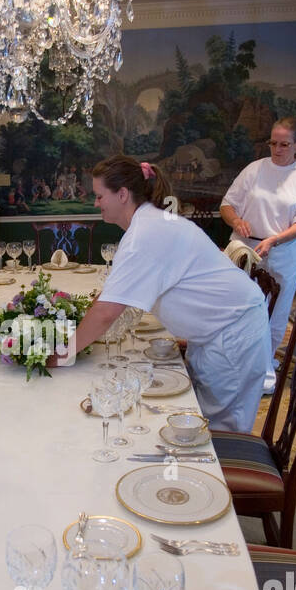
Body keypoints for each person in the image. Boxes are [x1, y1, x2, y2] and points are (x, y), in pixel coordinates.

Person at [56, 155, 270, 431]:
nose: (95, 203)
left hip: (233, 335)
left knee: (220, 432)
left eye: (99, 196)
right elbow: (110, 296)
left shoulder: (145, 233)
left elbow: (107, 312)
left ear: (122, 194)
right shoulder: (148, 225)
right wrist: (75, 337)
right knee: (201, 423)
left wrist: (63, 354)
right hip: (218, 331)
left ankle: (230, 472)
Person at [220, 117, 296, 392]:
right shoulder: (254, 170)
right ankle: (237, 364)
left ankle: (263, 370)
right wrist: (235, 222)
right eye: (273, 143)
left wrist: (275, 239)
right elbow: (227, 205)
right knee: (241, 309)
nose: (277, 149)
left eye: (284, 144)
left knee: (275, 312)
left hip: (284, 250)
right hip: (245, 248)